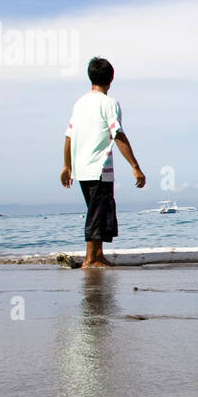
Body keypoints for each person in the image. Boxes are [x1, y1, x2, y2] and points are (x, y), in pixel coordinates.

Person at [60, 57, 145, 268]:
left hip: (81, 167)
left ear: (91, 77)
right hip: (100, 167)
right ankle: (92, 259)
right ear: (111, 78)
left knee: (97, 210)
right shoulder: (109, 104)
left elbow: (69, 136)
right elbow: (118, 135)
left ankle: (97, 255)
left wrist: (67, 166)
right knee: (97, 212)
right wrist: (135, 166)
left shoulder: (80, 103)